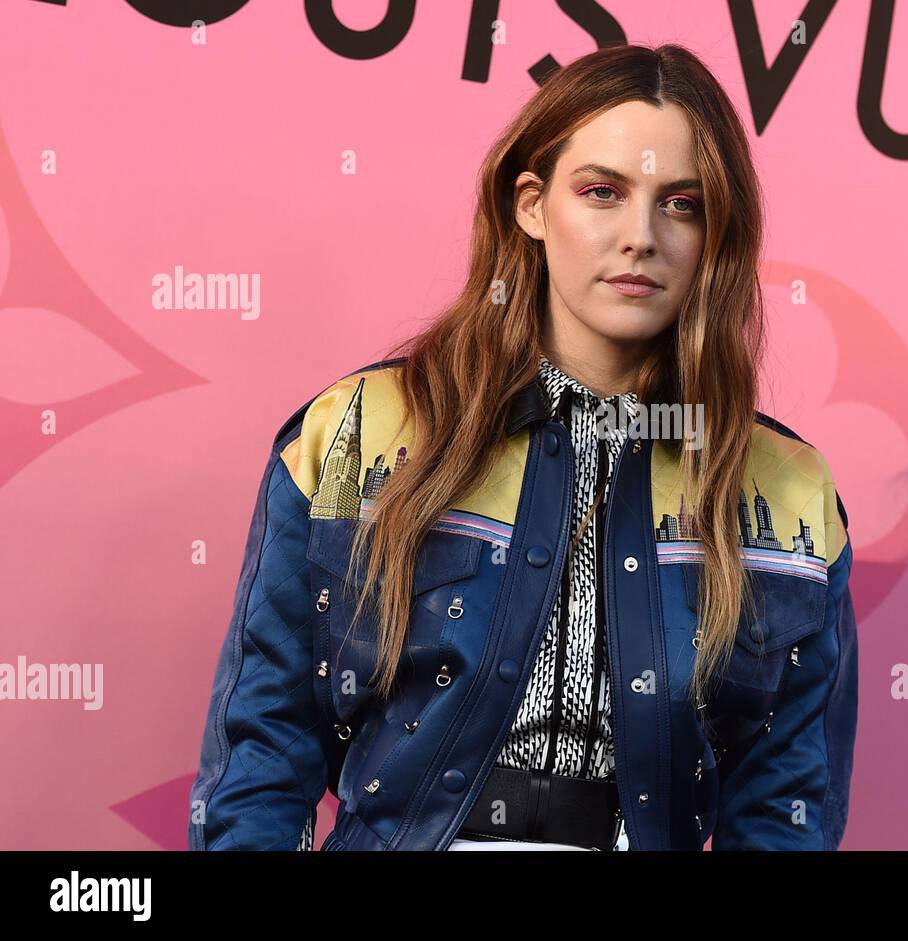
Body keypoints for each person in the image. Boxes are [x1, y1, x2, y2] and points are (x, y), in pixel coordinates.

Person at [188, 42, 858, 852]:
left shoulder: (785, 488)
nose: (640, 235)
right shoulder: (354, 430)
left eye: (681, 203)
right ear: (532, 205)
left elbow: (788, 802)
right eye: (602, 192)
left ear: (716, 232)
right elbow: (265, 747)